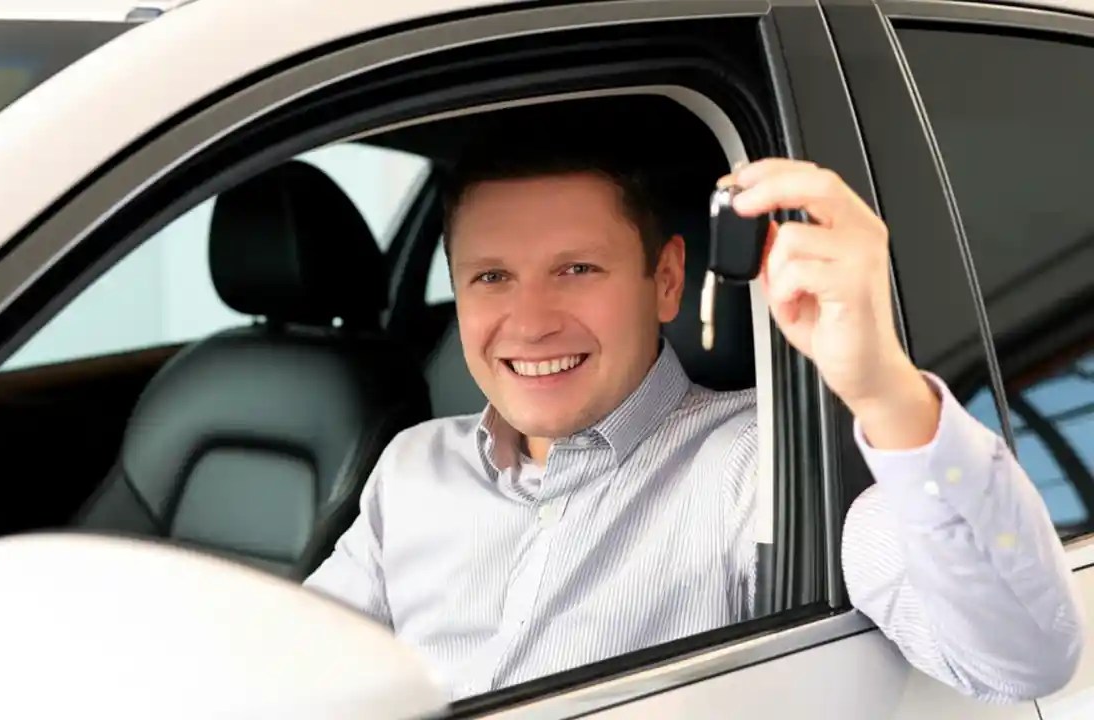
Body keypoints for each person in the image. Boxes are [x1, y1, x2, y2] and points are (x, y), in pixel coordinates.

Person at [302, 127, 1084, 703]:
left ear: (668, 280)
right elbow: (291, 669)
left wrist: (884, 388)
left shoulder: (764, 467)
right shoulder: (412, 468)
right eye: (492, 276)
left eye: (576, 269)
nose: (530, 321)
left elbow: (1020, 659)